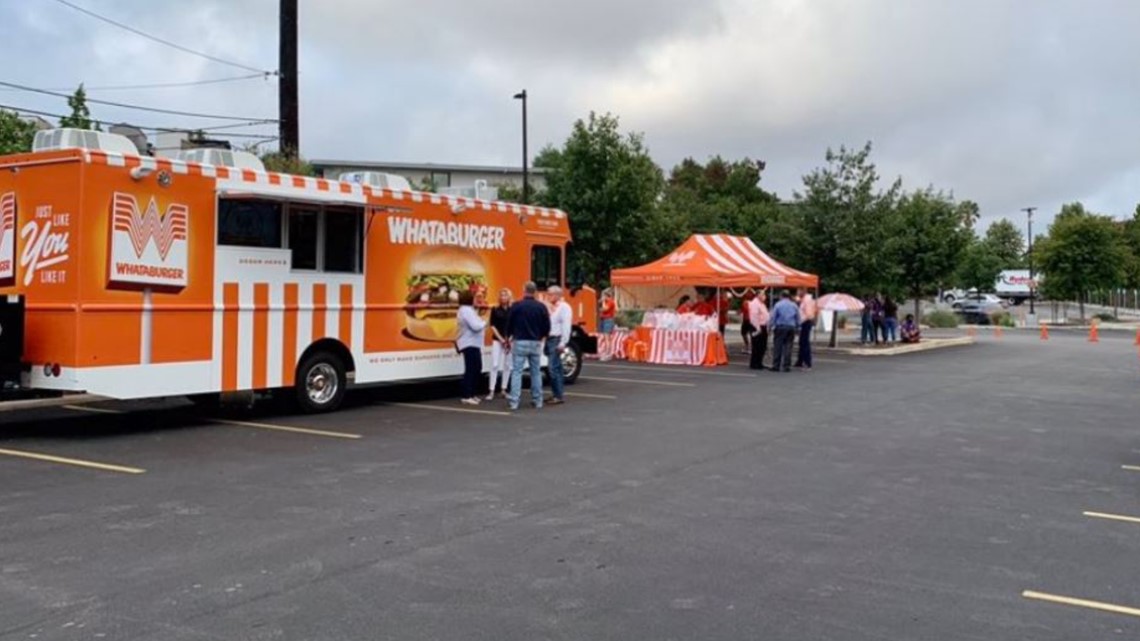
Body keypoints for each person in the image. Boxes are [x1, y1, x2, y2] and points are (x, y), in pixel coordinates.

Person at [506, 281, 551, 410]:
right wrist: (541, 336)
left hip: (520, 340)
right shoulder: (541, 307)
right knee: (536, 372)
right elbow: (546, 326)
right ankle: (538, 400)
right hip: (535, 341)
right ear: (535, 291)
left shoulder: (516, 306)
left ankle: (514, 401)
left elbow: (509, 323)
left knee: (517, 371)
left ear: (524, 290)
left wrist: (508, 337)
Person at [456, 290, 487, 405]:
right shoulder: (466, 311)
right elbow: (476, 326)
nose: (475, 299)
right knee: (472, 369)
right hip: (469, 343)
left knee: (476, 368)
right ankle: (467, 395)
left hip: (472, 343)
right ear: (469, 298)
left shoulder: (466, 310)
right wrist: (484, 323)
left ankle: (472, 394)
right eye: (474, 297)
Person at [546, 285, 573, 406]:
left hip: (556, 339)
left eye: (550, 294)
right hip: (550, 338)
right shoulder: (553, 307)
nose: (548, 296)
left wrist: (563, 342)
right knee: (557, 367)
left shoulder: (564, 307)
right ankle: (557, 393)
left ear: (557, 295)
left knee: (552, 367)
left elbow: (566, 325)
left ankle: (558, 395)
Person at [486, 288, 513, 400]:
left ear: (509, 297)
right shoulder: (495, 309)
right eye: (501, 295)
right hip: (497, 340)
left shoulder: (513, 309)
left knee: (507, 365)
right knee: (495, 364)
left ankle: (503, 389)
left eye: (505, 295)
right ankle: (491, 390)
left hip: (510, 340)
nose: (503, 297)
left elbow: (515, 325)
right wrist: (501, 339)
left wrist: (510, 339)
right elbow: (492, 325)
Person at [768, 290, 800, 373]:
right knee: (788, 347)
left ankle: (776, 365)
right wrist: (798, 327)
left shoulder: (778, 305)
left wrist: (770, 327)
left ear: (781, 296)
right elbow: (798, 317)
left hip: (780, 327)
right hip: (791, 327)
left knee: (778, 346)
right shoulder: (794, 305)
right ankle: (786, 366)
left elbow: (773, 317)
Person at [795, 288, 817, 369]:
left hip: (805, 322)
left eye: (798, 291)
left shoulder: (807, 301)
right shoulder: (805, 300)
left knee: (804, 342)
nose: (797, 293)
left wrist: (800, 322)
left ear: (803, 291)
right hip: (805, 322)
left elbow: (808, 314)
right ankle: (800, 361)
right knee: (802, 342)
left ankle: (807, 362)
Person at [748, 291, 770, 370]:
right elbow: (754, 317)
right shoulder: (755, 304)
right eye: (763, 294)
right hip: (757, 326)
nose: (764, 296)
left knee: (762, 346)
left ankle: (759, 362)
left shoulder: (762, 304)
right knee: (757, 346)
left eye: (764, 294)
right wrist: (758, 328)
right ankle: (755, 363)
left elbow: (766, 315)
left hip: (763, 326)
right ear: (758, 295)